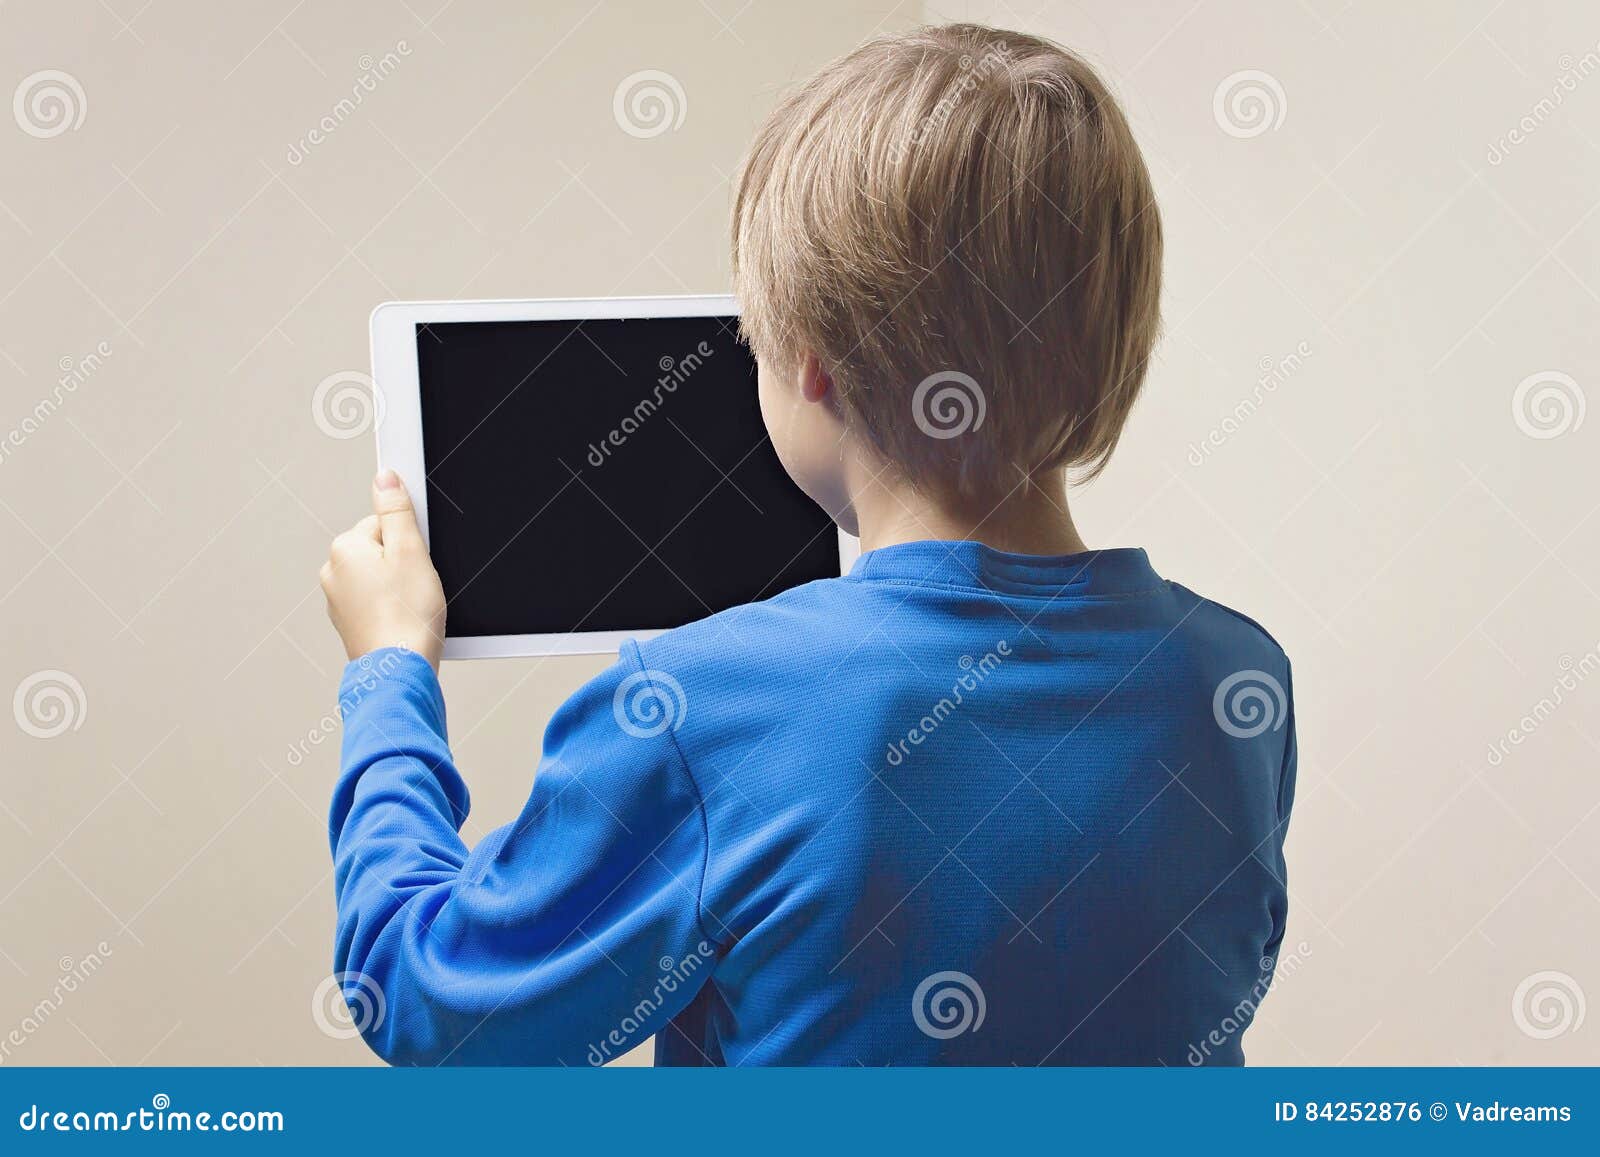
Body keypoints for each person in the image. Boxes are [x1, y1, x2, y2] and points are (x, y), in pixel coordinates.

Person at [318, 22, 1295, 1065]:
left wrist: (388, 672)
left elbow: (426, 1001)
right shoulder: (1234, 676)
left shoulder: (701, 709)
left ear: (813, 365)